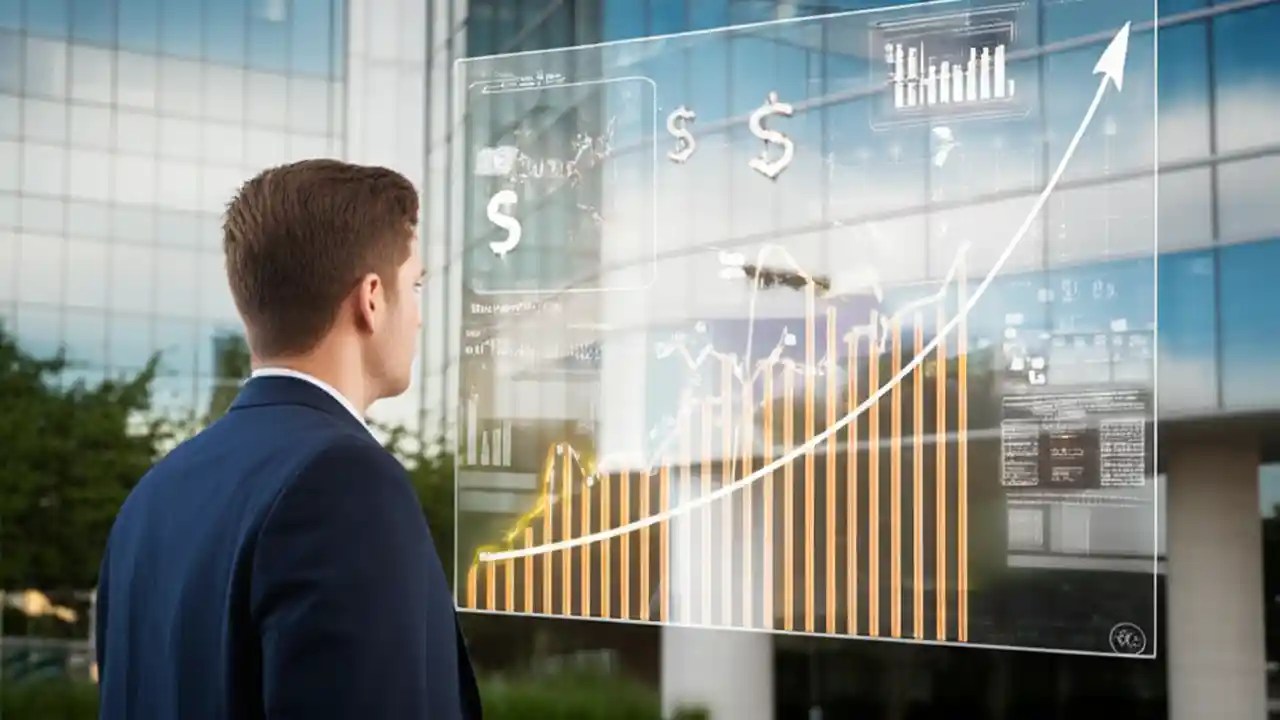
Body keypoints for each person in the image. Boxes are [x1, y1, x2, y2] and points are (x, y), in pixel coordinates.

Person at [94, 159, 482, 719]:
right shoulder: (345, 484)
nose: (420, 317)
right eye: (416, 285)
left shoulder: (153, 495)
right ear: (372, 298)